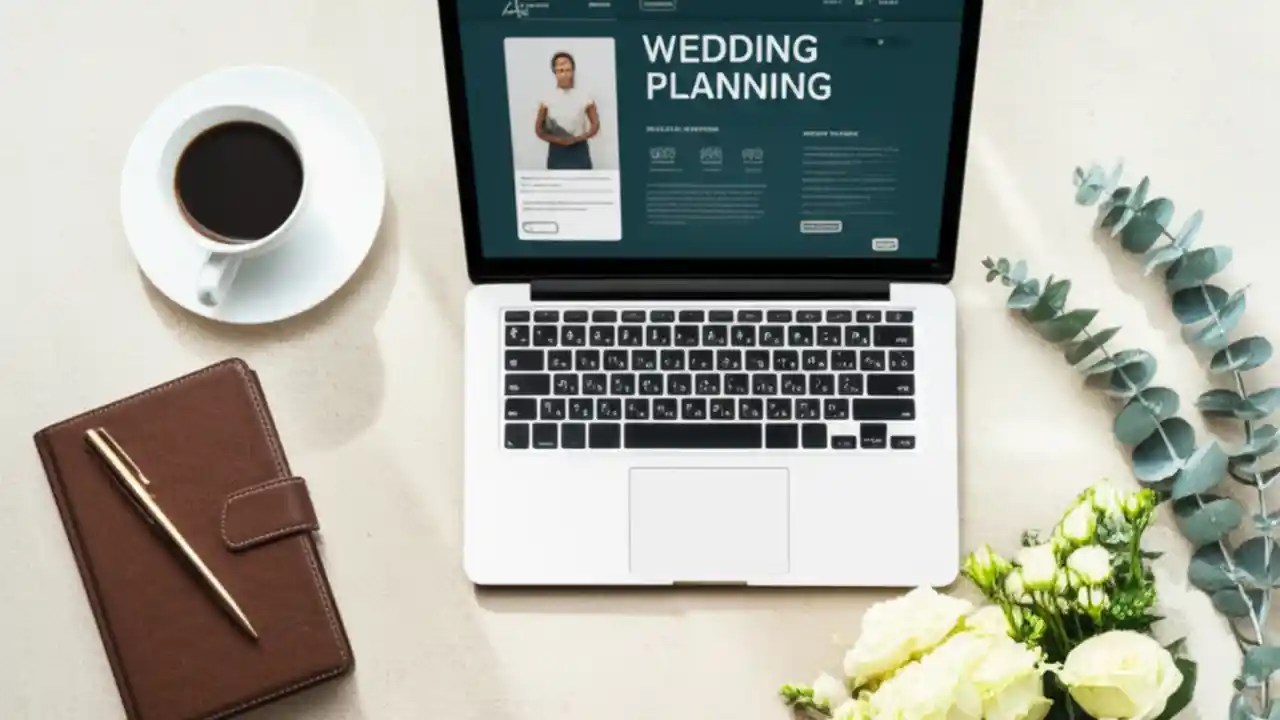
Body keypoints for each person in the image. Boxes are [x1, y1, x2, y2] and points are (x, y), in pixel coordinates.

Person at [535, 51, 600, 170]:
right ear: (554, 72)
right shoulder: (547, 98)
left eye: (568, 70)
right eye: (560, 71)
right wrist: (558, 140)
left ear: (573, 71)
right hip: (557, 152)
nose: (564, 75)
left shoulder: (585, 97)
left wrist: (577, 139)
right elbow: (539, 130)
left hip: (580, 150)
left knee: (583, 181)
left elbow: (595, 126)